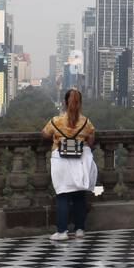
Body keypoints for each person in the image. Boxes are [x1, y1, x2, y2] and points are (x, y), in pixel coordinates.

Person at [42, 89, 97, 242]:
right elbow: (91, 139)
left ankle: (62, 231)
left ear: (65, 102)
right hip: (80, 160)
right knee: (79, 194)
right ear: (80, 103)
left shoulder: (56, 121)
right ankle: (80, 229)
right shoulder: (86, 122)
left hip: (61, 160)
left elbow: (44, 134)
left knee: (63, 195)